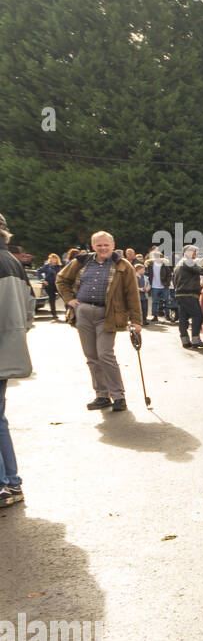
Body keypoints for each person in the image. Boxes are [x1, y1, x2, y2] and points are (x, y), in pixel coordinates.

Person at [55, 230, 142, 411]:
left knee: (105, 354)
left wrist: (136, 321)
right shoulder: (81, 261)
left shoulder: (123, 265)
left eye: (106, 245)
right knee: (91, 356)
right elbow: (61, 279)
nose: (103, 248)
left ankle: (118, 397)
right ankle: (102, 395)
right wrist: (69, 299)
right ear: (93, 246)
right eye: (99, 245)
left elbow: (132, 295)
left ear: (113, 245)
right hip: (83, 312)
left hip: (108, 314)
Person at [0, 214, 33, 506]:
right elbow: (29, 311)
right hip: (9, 350)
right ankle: (10, 482)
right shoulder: (13, 261)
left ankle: (6, 483)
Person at [172, 246, 203, 349]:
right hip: (189, 294)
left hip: (180, 294)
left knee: (183, 318)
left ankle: (185, 341)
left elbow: (174, 280)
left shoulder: (179, 263)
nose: (195, 254)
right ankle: (195, 340)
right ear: (188, 252)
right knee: (198, 316)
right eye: (194, 252)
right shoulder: (188, 261)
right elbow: (201, 271)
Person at [146, 245, 172, 322]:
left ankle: (167, 315)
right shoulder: (150, 265)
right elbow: (147, 274)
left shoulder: (165, 264)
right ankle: (155, 316)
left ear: (161, 256)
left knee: (166, 301)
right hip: (154, 286)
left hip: (164, 286)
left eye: (159, 256)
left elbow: (169, 274)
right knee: (155, 302)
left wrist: (167, 283)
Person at [37, 253, 61, 319]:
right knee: (52, 299)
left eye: (55, 258)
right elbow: (38, 271)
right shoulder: (47, 266)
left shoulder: (59, 266)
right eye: (52, 258)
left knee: (64, 296)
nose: (54, 260)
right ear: (50, 259)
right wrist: (42, 280)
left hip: (58, 284)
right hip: (49, 284)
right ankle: (54, 314)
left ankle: (68, 311)